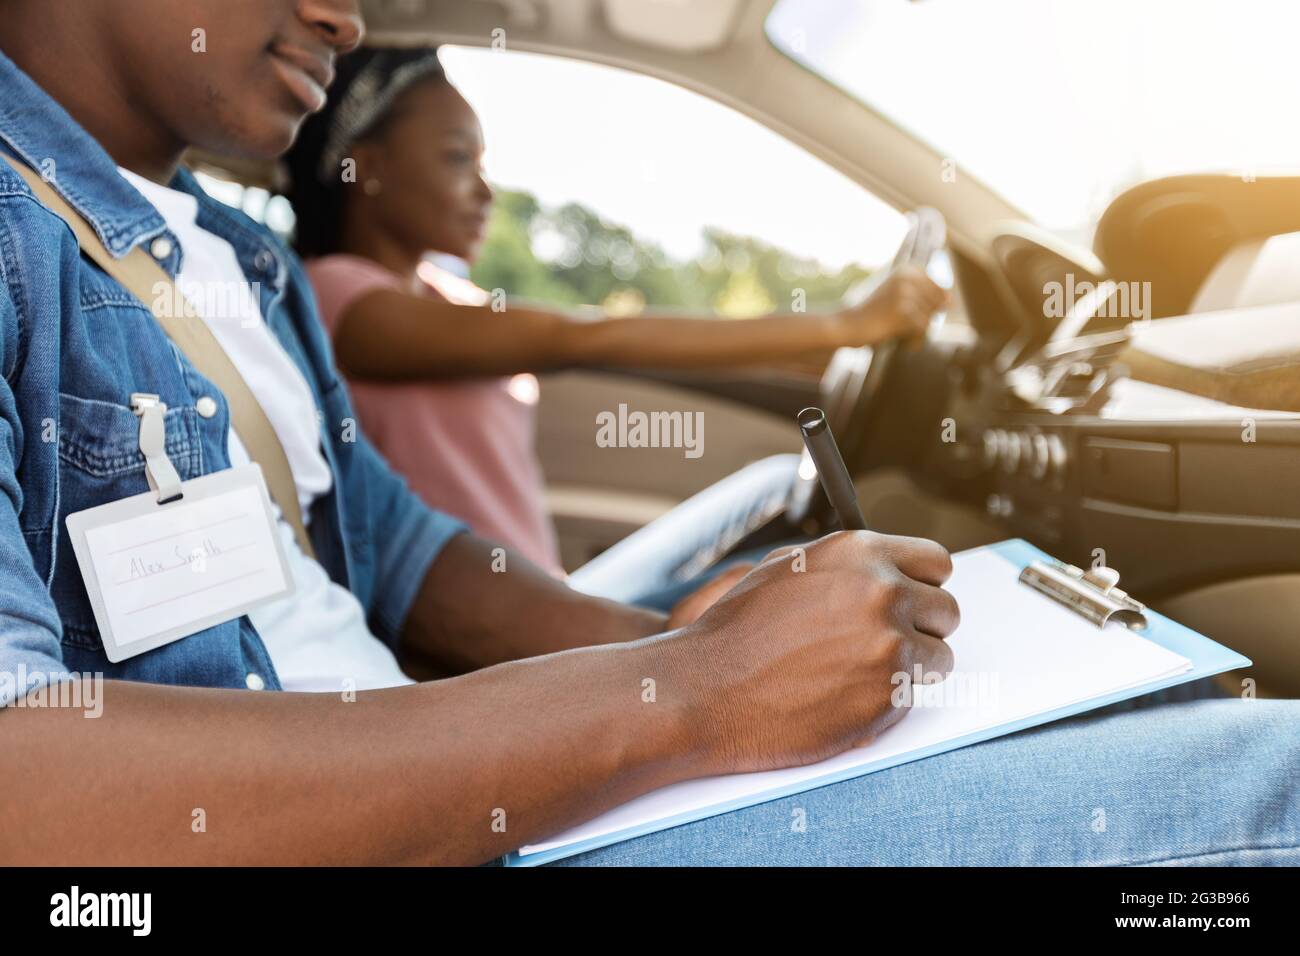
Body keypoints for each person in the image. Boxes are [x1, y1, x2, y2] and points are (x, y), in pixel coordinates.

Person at [0, 0, 1295, 868]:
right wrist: (684, 700)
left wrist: (685, 647)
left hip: (464, 778)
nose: (344, 13)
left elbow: (399, 558)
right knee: (1269, 784)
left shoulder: (246, 266)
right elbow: (26, 781)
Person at [285, 47, 948, 589]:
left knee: (780, 488)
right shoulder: (340, 299)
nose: (485, 190)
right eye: (459, 159)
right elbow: (585, 336)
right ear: (366, 169)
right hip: (499, 628)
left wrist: (830, 347)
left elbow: (604, 339)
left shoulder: (435, 290)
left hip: (548, 591)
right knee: (808, 578)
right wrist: (839, 325)